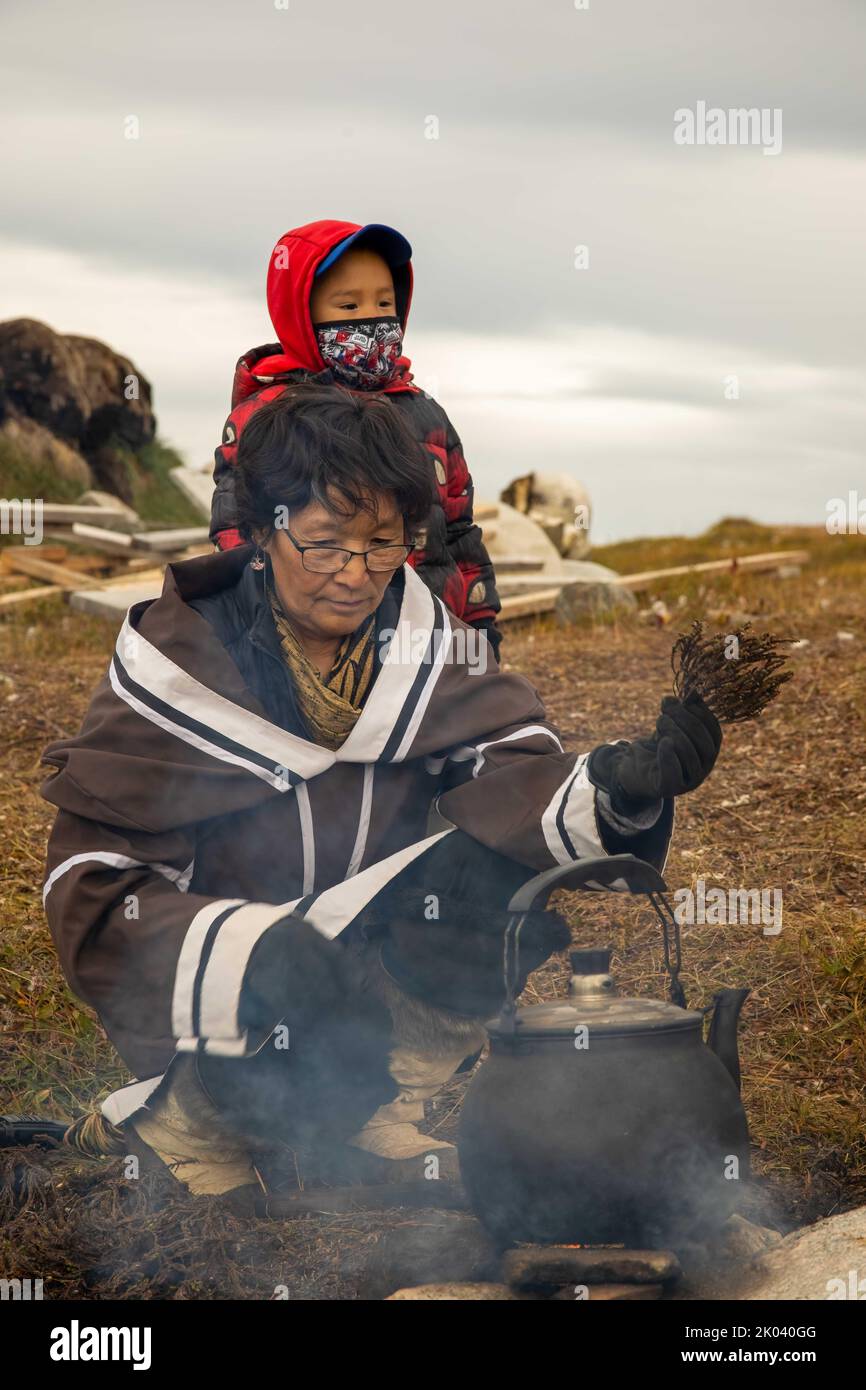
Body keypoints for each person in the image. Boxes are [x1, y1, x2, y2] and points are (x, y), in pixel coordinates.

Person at [41, 385, 721, 1203]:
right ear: (263, 531)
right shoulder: (180, 662)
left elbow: (513, 787)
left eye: (382, 543)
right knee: (280, 993)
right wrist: (252, 948)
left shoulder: (429, 647)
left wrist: (617, 786)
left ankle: (384, 1102)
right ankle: (194, 1125)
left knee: (494, 879)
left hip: (366, 960)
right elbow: (96, 885)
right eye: (324, 543)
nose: (354, 576)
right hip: (235, 984)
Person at [210, 219, 503, 655]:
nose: (373, 319)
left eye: (385, 302)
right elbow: (237, 535)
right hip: (310, 653)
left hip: (428, 645)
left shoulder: (425, 414)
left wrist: (480, 632)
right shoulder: (266, 418)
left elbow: (460, 533)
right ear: (300, 313)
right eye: (349, 307)